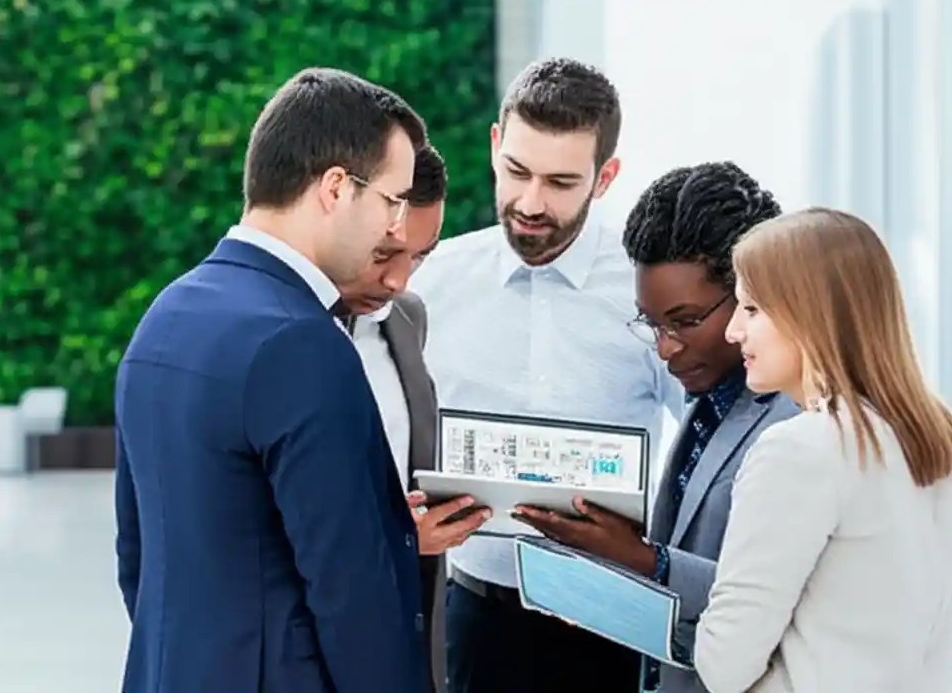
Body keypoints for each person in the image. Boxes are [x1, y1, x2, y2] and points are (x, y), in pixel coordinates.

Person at [114, 67, 432, 693]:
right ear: (337, 188)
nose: (394, 229)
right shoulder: (304, 344)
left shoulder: (165, 316)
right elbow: (354, 594)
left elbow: (138, 558)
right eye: (392, 201)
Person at [408, 57, 682, 693]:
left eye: (561, 182)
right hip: (472, 613)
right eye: (517, 172)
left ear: (605, 177)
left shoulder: (647, 289)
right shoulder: (432, 282)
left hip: (611, 620)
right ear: (495, 144)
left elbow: (700, 440)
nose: (531, 203)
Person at [515, 162, 799, 693]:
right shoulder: (715, 394)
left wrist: (643, 558)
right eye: (653, 324)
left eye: (686, 321)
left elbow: (782, 604)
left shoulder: (797, 422)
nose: (666, 348)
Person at [692, 208, 952, 692]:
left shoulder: (799, 451)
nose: (734, 330)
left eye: (752, 309)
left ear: (809, 316)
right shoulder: (935, 439)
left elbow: (724, 667)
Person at [335, 144, 489, 692]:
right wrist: (398, 538)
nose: (399, 279)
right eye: (384, 253)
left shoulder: (406, 318)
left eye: (420, 257)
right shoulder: (278, 329)